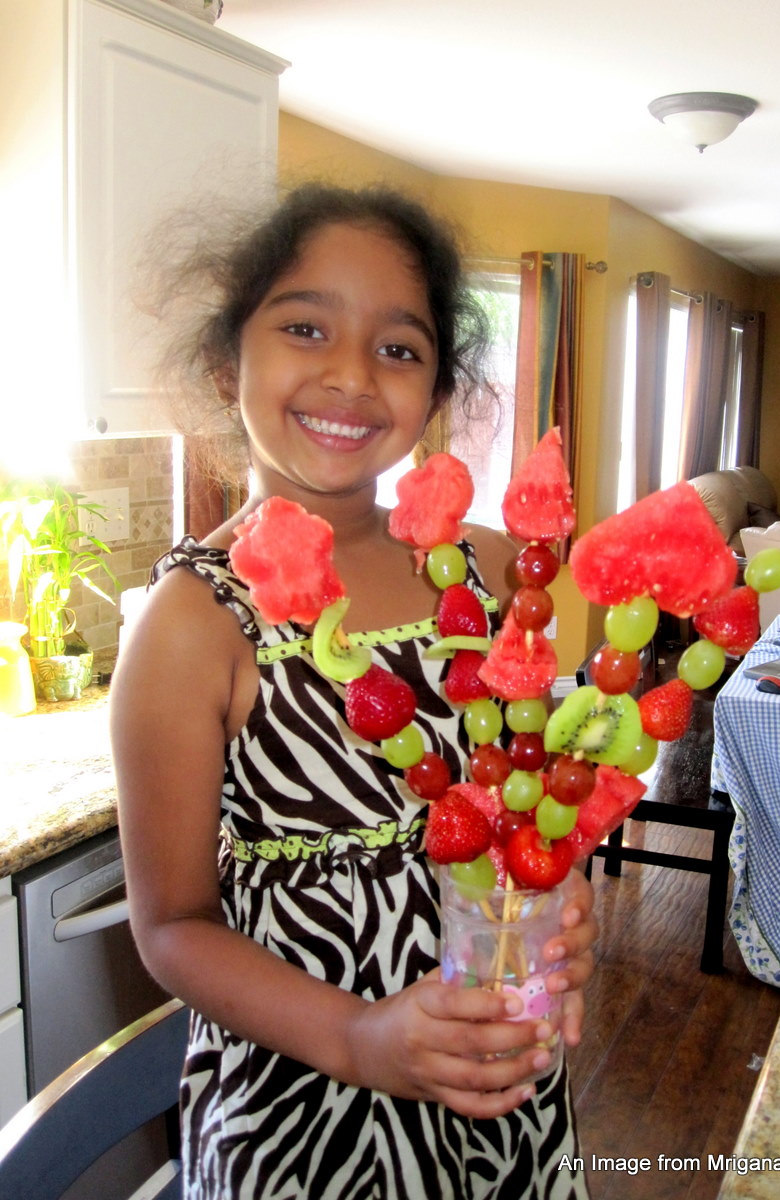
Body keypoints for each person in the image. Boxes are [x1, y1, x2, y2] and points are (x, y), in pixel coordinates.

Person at [112, 181, 597, 1200]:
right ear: (223, 361)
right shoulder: (192, 627)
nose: (350, 377)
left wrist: (556, 892)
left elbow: (531, 799)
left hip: (496, 1097)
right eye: (304, 327)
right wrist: (360, 1038)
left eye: (399, 348)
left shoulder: (502, 576)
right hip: (303, 1125)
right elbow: (172, 927)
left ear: (435, 388)